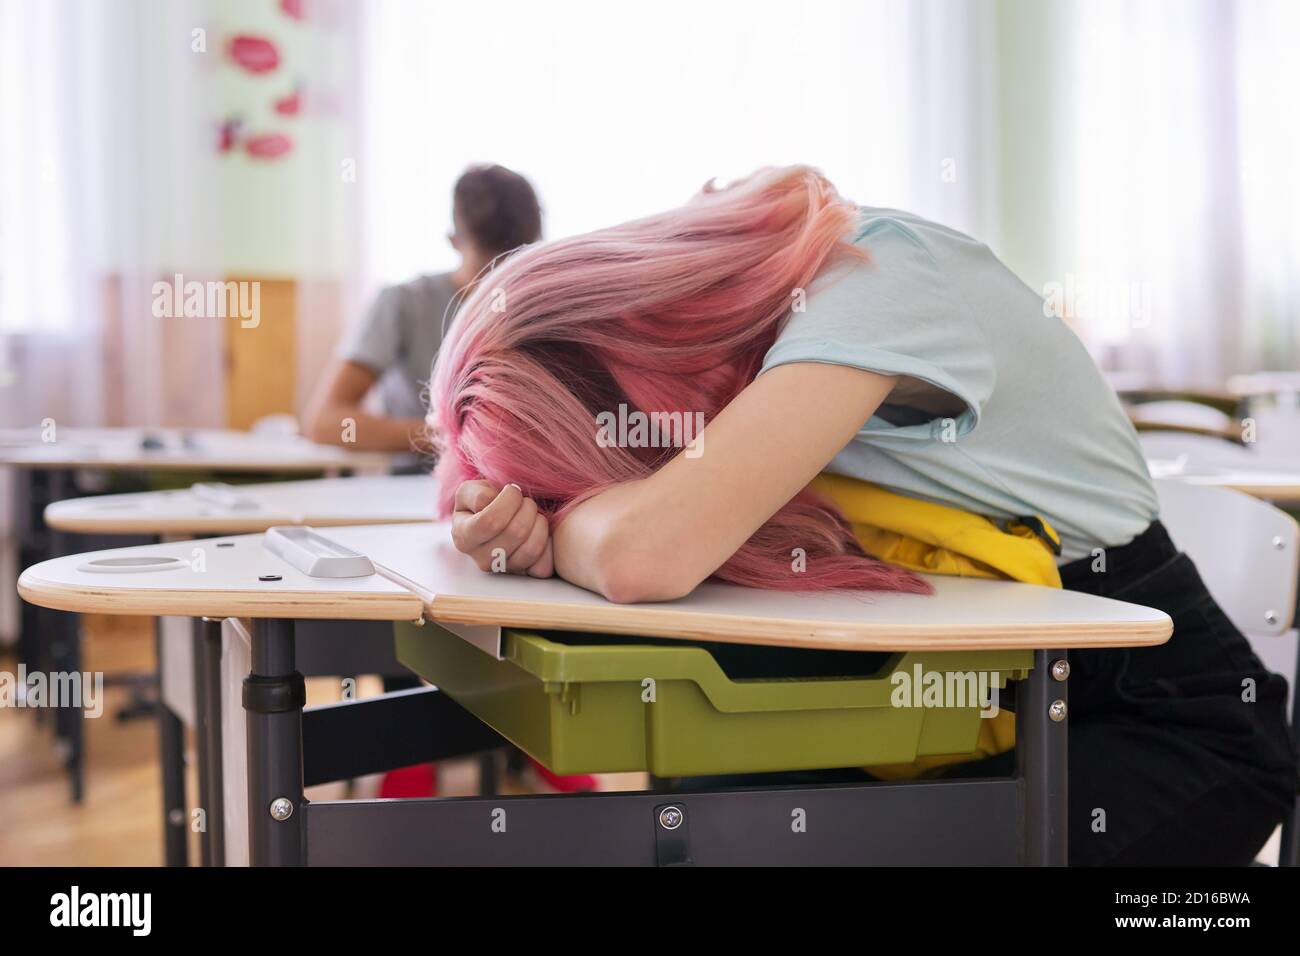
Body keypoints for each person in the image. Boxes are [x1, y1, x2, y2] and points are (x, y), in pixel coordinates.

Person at [427, 166, 1297, 866]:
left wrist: (560, 526)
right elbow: (639, 539)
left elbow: (643, 555)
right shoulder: (743, 359)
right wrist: (513, 518)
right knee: (703, 829)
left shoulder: (872, 274)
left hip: (1163, 719)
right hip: (959, 702)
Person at [304, 164, 542, 462]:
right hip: (417, 485)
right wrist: (458, 436)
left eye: (512, 265)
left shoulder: (544, 313)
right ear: (453, 242)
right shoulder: (405, 303)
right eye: (486, 268)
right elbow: (326, 422)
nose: (495, 288)